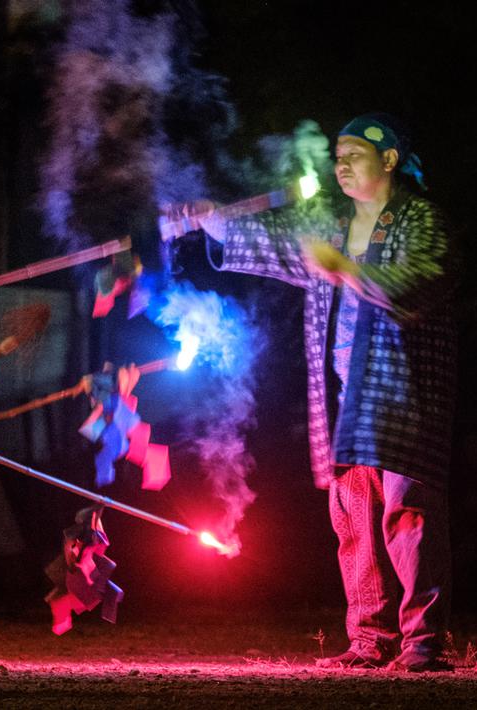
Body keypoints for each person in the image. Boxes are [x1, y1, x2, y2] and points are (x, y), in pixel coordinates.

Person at [177, 113, 456, 672]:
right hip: (341, 397)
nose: (343, 164)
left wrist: (346, 269)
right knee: (352, 518)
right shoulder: (332, 227)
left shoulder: (419, 220)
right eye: (339, 156)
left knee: (407, 513)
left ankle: (422, 641)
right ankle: (368, 638)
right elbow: (273, 245)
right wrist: (212, 223)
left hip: (400, 394)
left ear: (391, 160)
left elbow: (422, 280)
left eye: (356, 154)